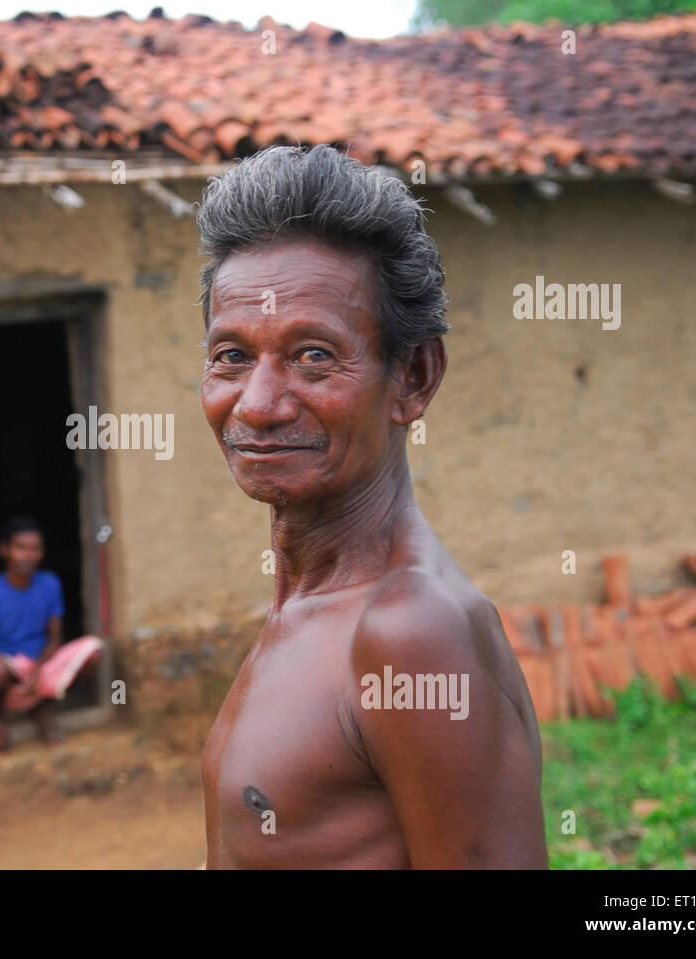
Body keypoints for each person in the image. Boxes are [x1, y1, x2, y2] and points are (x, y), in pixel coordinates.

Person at [196, 145, 548, 868]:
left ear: (414, 376)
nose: (257, 405)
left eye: (314, 355)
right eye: (232, 355)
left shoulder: (409, 630)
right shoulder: (311, 602)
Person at [0, 516, 104, 750]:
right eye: (21, 548)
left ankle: (43, 708)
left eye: (35, 549)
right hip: (5, 672)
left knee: (93, 651)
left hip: (39, 667)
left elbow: (55, 638)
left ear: (42, 553)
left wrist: (36, 670)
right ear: (4, 550)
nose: (28, 555)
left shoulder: (49, 584)